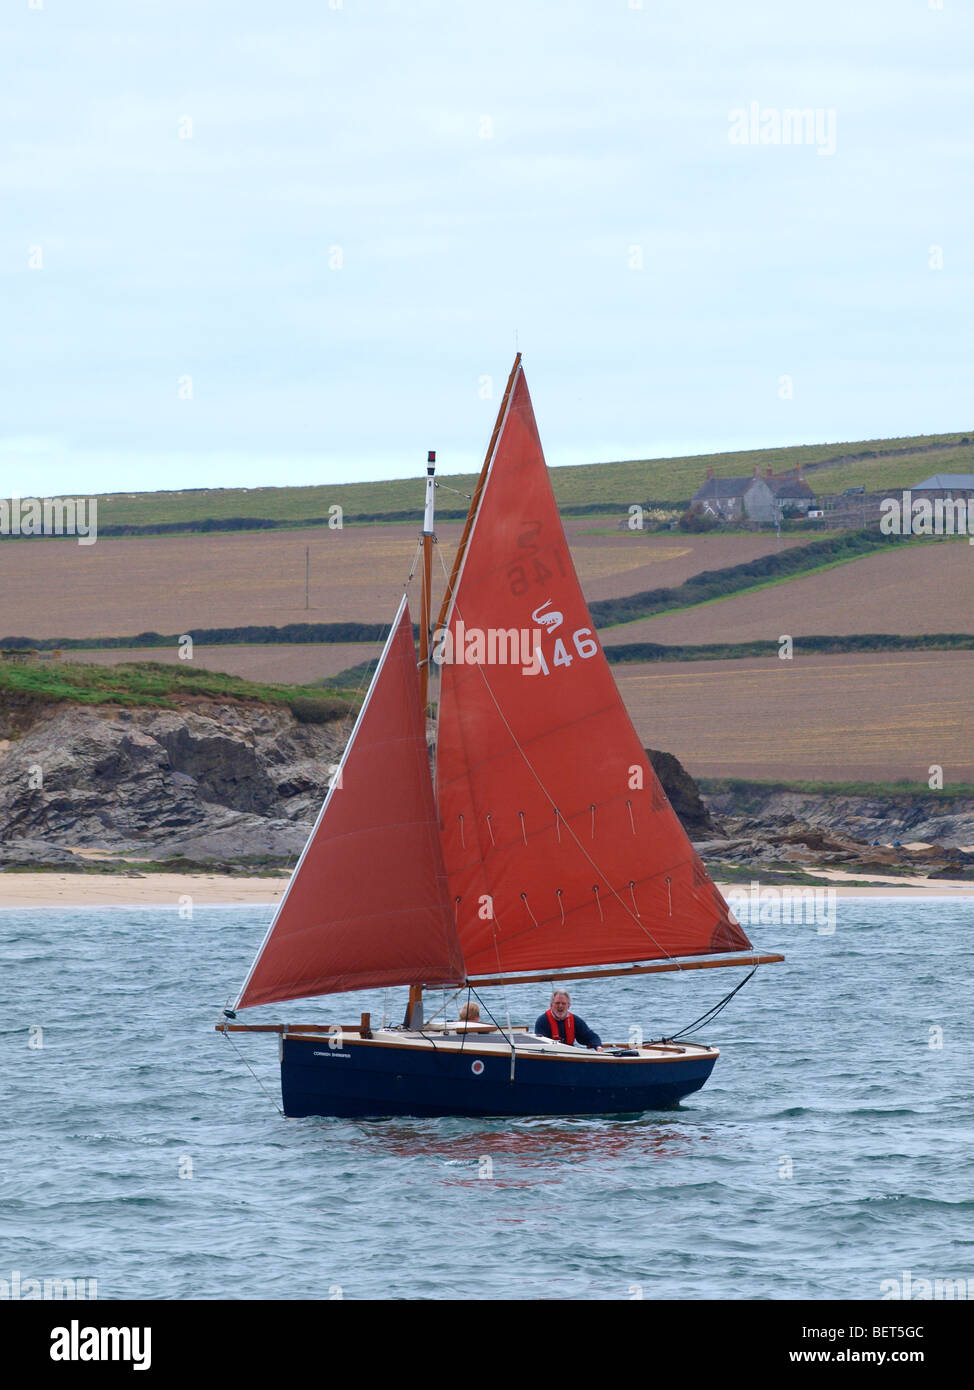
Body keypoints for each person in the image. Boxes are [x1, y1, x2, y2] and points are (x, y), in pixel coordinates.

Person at [534, 989, 602, 1050]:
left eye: (563, 1003)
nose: (560, 1006)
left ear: (568, 1006)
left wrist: (598, 1047)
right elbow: (540, 1043)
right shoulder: (542, 1021)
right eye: (557, 1003)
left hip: (569, 1055)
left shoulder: (576, 1021)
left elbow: (590, 1036)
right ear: (551, 1005)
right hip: (550, 1054)